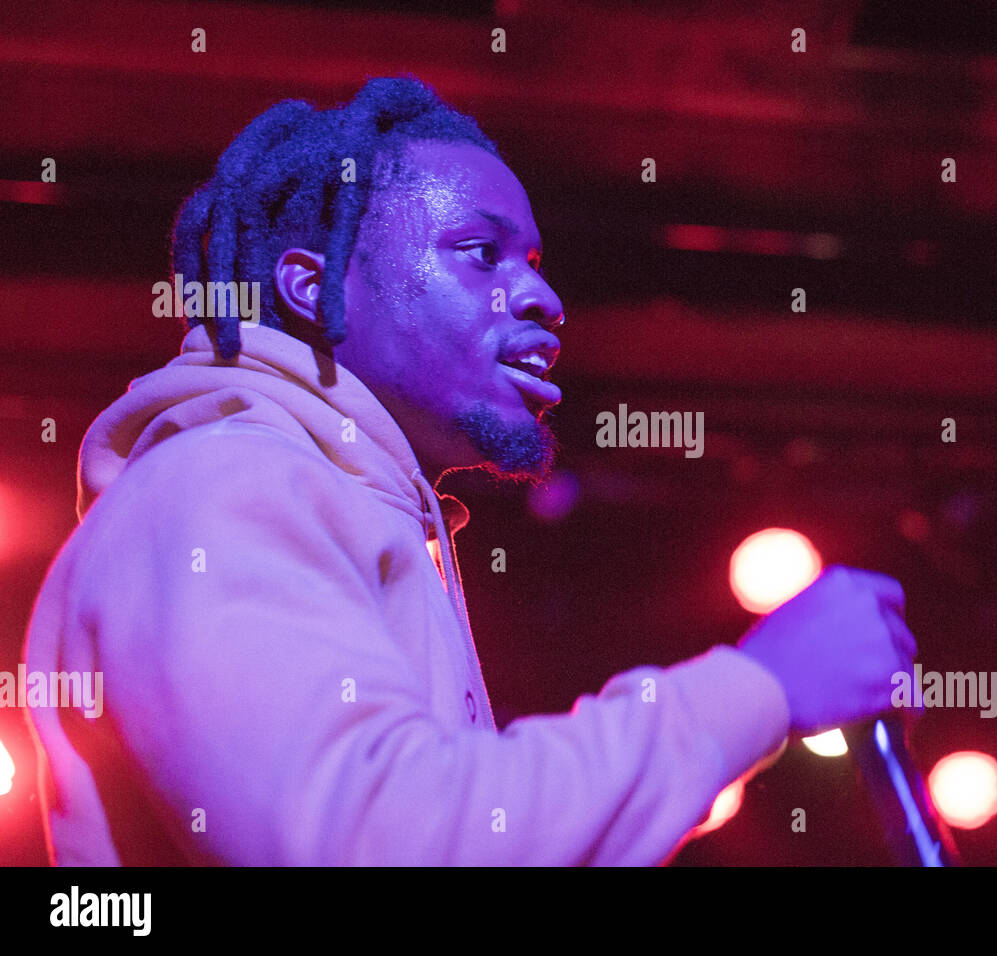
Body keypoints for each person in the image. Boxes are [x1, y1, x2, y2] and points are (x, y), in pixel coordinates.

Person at [23, 77, 916, 865]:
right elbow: (369, 840)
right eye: (480, 254)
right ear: (314, 290)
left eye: (531, 264)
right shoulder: (222, 485)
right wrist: (760, 687)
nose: (543, 298)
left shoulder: (358, 509)